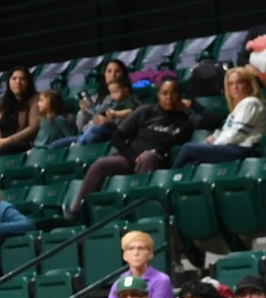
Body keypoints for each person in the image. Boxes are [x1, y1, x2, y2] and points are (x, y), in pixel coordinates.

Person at [69, 79, 196, 219]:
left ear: (180, 96)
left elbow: (212, 119)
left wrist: (193, 104)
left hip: (158, 160)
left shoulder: (186, 120)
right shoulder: (145, 111)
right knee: (100, 164)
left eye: (173, 93)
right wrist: (133, 157)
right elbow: (116, 138)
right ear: (158, 95)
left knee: (148, 157)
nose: (169, 97)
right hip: (131, 158)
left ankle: (142, 214)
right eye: (164, 93)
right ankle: (76, 212)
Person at [175, 67, 266, 166]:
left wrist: (215, 144)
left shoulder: (250, 102)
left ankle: (169, 175)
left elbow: (236, 134)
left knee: (188, 148)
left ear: (249, 85)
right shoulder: (239, 107)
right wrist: (215, 138)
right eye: (231, 84)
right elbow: (228, 131)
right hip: (234, 147)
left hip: (245, 150)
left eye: (240, 82)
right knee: (190, 164)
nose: (235, 87)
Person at [71, 62, 138, 146]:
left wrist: (108, 122)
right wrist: (84, 111)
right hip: (88, 132)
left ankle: (77, 146)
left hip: (109, 133)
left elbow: (132, 117)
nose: (113, 75)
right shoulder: (97, 98)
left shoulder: (129, 98)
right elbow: (81, 128)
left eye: (117, 71)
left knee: (92, 135)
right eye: (109, 71)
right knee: (55, 145)